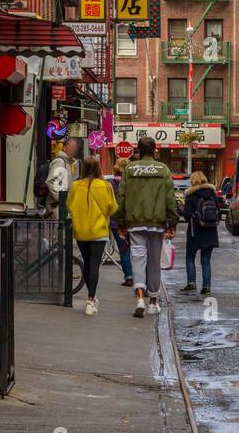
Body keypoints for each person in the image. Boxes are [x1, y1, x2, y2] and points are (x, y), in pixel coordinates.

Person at [114, 136, 178, 318]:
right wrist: (172, 223)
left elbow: (122, 198)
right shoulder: (163, 170)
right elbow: (170, 199)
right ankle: (153, 302)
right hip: (157, 223)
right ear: (154, 150)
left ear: (138, 150)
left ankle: (140, 298)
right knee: (154, 262)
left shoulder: (129, 169)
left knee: (138, 259)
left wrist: (121, 223)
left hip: (135, 223)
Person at [68, 157, 116, 316]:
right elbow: (112, 207)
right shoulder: (105, 186)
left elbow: (69, 205)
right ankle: (90, 300)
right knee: (94, 264)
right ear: (97, 169)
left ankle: (92, 297)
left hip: (81, 231)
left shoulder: (75, 186)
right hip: (99, 231)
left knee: (87, 263)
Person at [181, 170, 222, 295]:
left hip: (195, 231)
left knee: (190, 257)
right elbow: (218, 211)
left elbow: (187, 215)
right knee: (206, 260)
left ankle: (191, 283)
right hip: (210, 231)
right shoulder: (212, 194)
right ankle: (206, 286)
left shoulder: (191, 195)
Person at [110, 157, 134, 286]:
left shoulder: (111, 183)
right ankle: (139, 275)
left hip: (115, 221)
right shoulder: (133, 183)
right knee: (136, 249)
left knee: (123, 249)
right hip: (132, 220)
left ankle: (129, 276)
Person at [43, 137, 81, 219]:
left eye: (75, 148)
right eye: (71, 147)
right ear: (64, 147)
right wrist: (62, 199)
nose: (73, 150)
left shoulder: (68, 163)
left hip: (61, 207)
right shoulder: (60, 162)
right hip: (56, 206)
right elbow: (51, 181)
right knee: (59, 230)